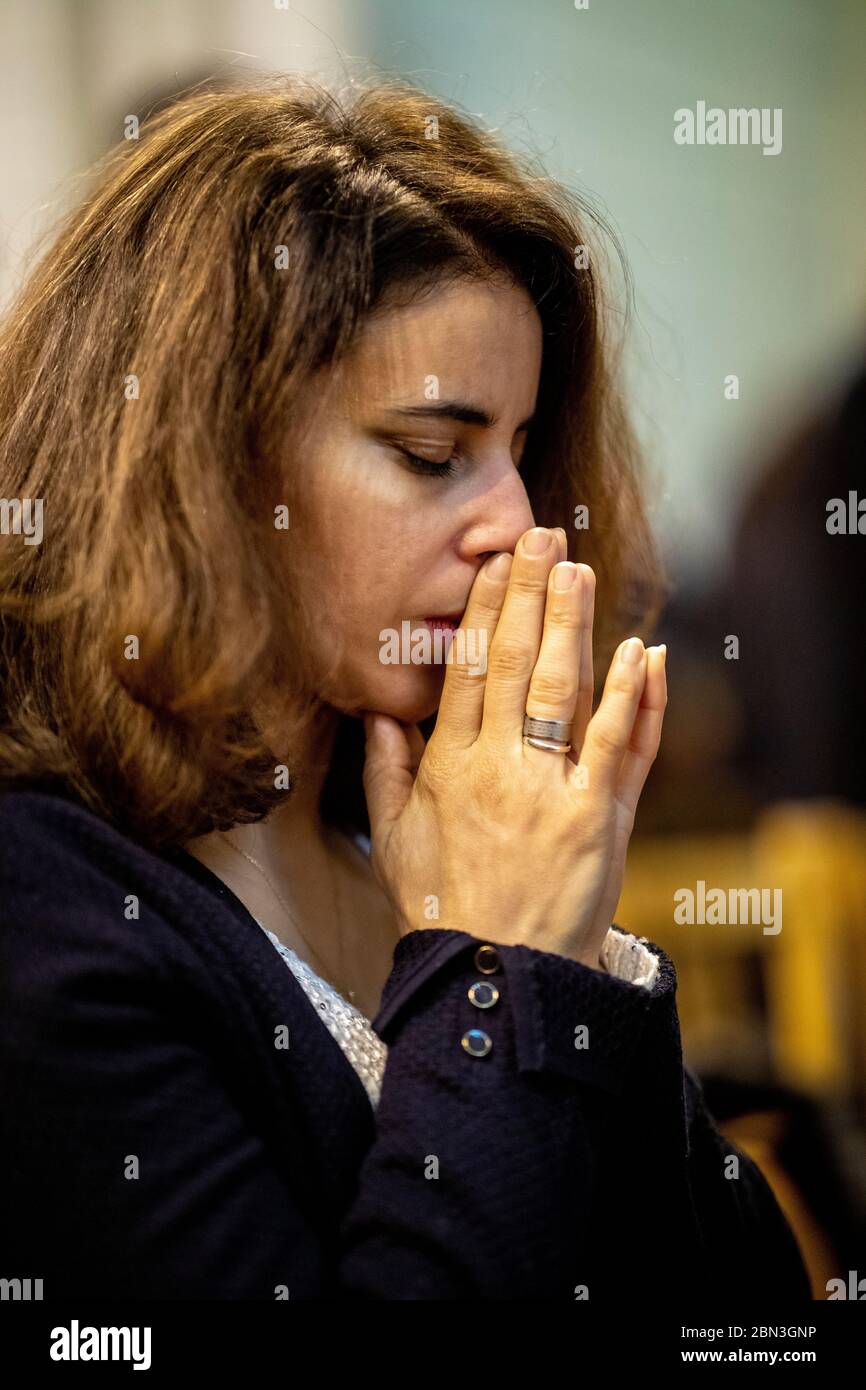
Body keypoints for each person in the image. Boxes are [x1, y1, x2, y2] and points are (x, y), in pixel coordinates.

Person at [0, 75, 810, 1300]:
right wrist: (494, 966)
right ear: (207, 461)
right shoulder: (43, 899)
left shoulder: (409, 816)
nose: (515, 524)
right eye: (431, 454)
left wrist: (570, 944)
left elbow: (744, 1313)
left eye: (521, 452)